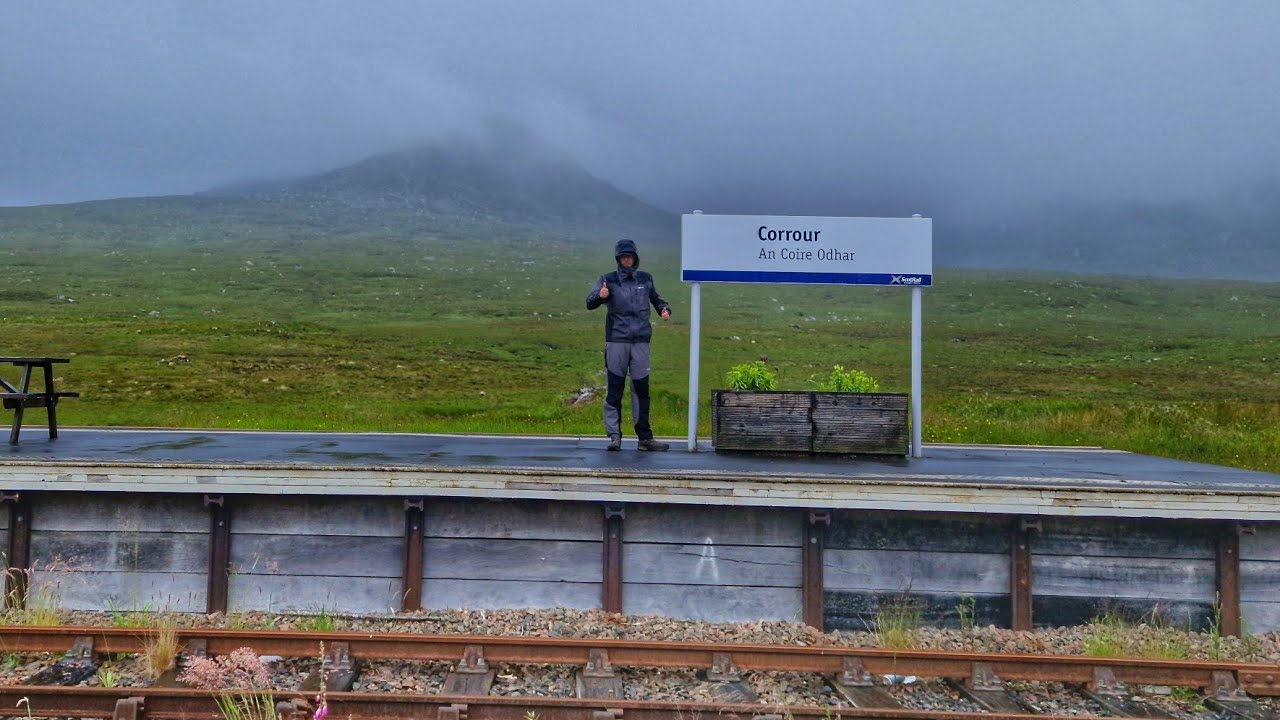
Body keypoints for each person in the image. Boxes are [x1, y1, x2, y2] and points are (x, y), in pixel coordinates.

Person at [586, 238, 671, 451]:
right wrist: (600, 296)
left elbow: (657, 299)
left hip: (641, 341)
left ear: (635, 258)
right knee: (615, 388)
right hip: (617, 340)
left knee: (641, 389)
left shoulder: (646, 279)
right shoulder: (608, 280)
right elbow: (590, 302)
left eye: (629, 256)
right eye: (623, 256)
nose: (626, 260)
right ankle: (614, 436)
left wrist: (664, 309)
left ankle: (645, 438)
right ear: (618, 258)